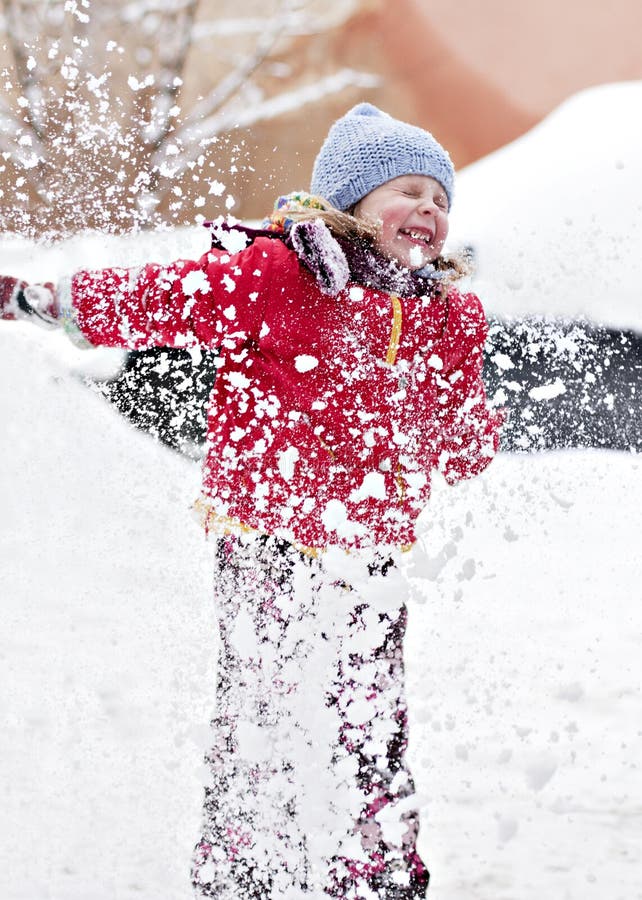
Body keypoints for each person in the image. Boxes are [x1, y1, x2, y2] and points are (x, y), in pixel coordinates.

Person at [1, 103, 502, 899]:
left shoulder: (446, 313)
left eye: (441, 199)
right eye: (409, 190)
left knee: (370, 723)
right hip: (269, 536)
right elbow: (162, 296)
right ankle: (244, 872)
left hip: (371, 557)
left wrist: (471, 433)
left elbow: (454, 413)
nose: (430, 210)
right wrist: (42, 300)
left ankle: (377, 877)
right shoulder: (279, 273)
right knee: (263, 712)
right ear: (353, 201)